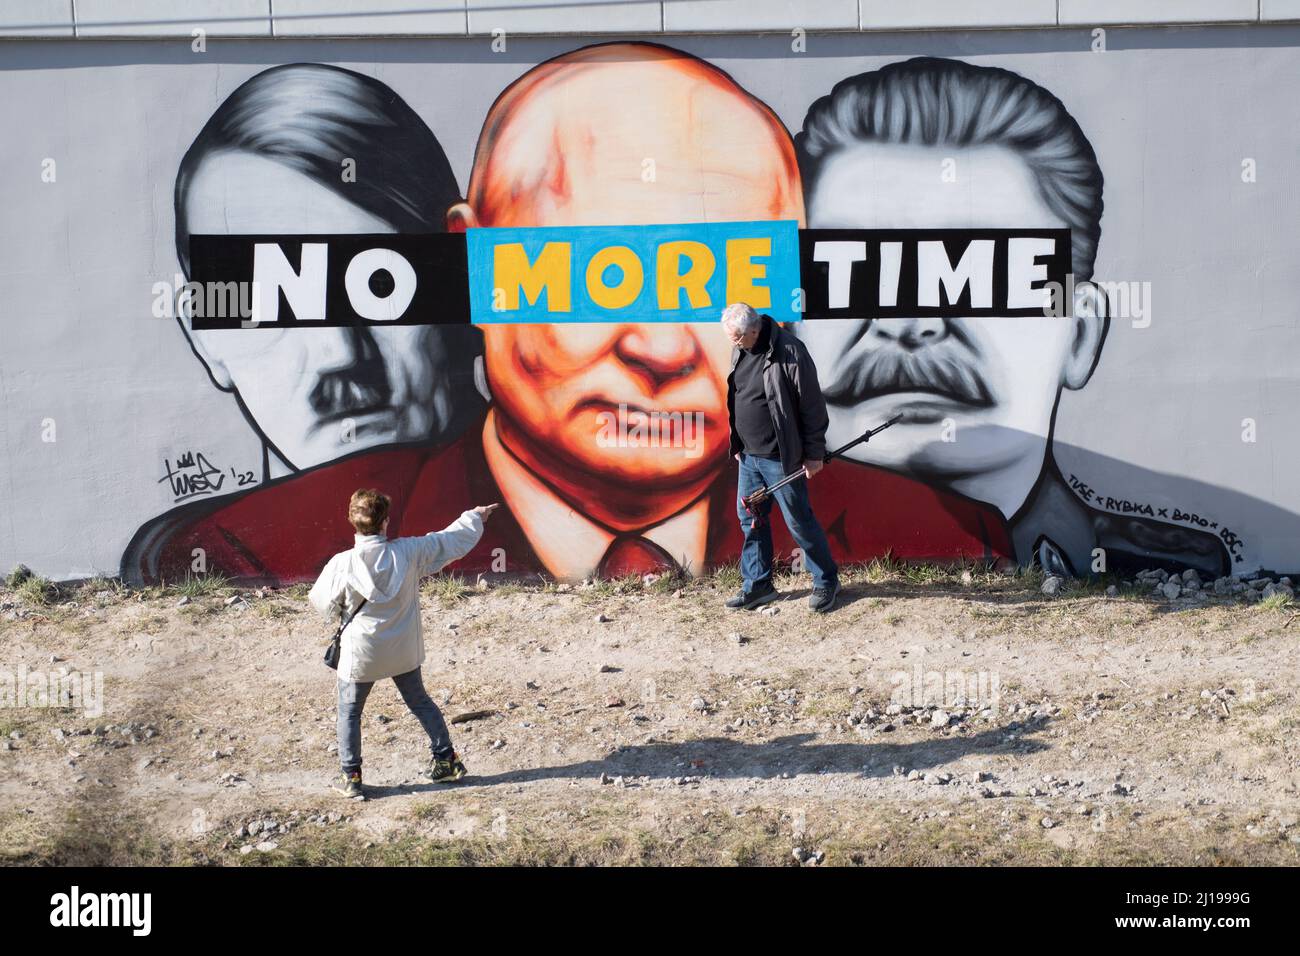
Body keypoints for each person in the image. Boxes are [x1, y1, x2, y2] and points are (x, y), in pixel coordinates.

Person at [794, 56, 1229, 578]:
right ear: (795, 318)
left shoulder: (1172, 567)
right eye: (853, 276)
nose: (910, 323)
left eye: (983, 273)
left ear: (1080, 335)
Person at [308, 489, 499, 799]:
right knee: (420, 701)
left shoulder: (341, 564)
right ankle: (446, 761)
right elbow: (448, 541)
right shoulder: (409, 553)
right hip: (403, 650)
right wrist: (475, 516)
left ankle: (352, 777)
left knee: (350, 712)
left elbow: (323, 606)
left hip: (362, 654)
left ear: (351, 520)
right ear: (386, 521)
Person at [722, 303, 840, 612]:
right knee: (751, 520)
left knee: (799, 520)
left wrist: (814, 454)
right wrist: (738, 442)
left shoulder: (790, 351)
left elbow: (812, 405)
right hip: (749, 456)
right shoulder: (741, 348)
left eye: (736, 338)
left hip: (781, 458)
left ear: (754, 330)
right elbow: (739, 396)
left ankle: (826, 581)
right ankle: (758, 586)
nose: (733, 344)